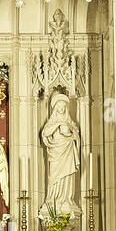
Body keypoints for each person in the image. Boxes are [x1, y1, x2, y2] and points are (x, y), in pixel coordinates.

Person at [39, 90, 80, 222]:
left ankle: (66, 199)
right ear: (55, 108)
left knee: (67, 177)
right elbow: (45, 133)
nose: (61, 109)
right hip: (56, 154)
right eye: (59, 107)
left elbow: (76, 137)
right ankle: (53, 199)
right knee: (54, 178)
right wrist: (58, 125)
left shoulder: (70, 123)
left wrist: (70, 133)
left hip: (67, 153)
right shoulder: (51, 123)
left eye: (63, 107)